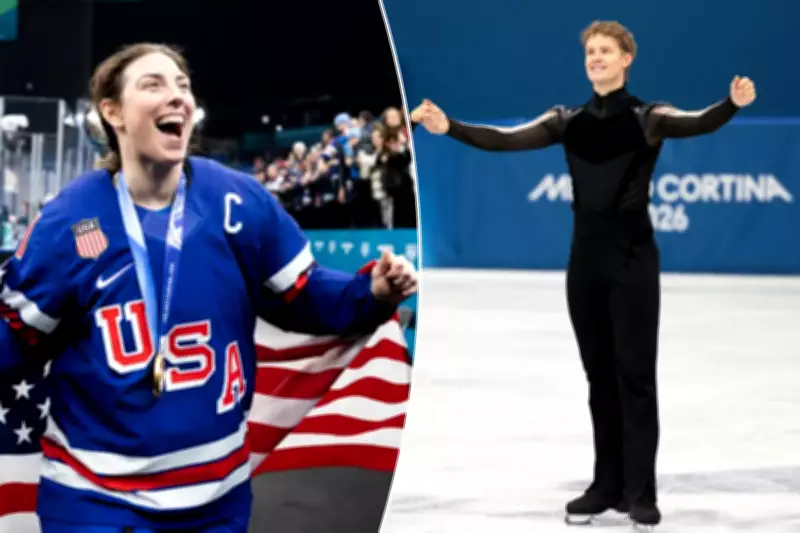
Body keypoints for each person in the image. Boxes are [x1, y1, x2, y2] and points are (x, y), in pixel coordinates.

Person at [0, 43, 418, 533]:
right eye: (152, 84)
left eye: (182, 85)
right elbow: (16, 339)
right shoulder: (70, 222)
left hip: (216, 501)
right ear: (111, 112)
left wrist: (374, 292)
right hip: (93, 500)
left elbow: (302, 296)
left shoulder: (238, 201)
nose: (176, 96)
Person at [411, 20, 755, 529]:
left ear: (626, 59)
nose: (595, 58)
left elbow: (698, 121)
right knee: (599, 378)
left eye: (605, 51)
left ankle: (641, 492)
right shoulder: (565, 120)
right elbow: (506, 140)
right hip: (585, 263)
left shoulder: (648, 117)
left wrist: (731, 105)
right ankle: (605, 485)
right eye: (590, 51)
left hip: (633, 260)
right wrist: (451, 127)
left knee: (635, 377)